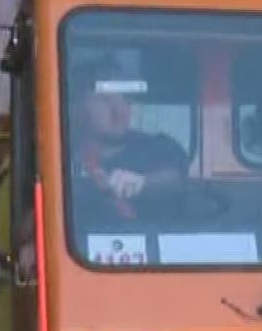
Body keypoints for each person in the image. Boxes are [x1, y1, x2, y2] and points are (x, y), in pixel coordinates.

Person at [70, 53, 192, 226]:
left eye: (126, 99)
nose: (120, 110)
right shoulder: (58, 155)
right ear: (76, 106)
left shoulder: (159, 147)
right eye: (105, 100)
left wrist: (144, 183)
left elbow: (176, 180)